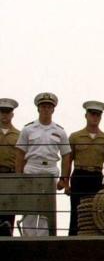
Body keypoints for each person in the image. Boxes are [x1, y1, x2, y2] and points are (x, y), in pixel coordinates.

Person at [14, 92, 69, 235]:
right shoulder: (28, 129)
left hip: (50, 170)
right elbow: (20, 153)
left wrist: (64, 179)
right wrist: (18, 176)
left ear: (53, 109)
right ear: (38, 109)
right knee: (29, 209)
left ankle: (44, 241)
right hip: (32, 168)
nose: (46, 109)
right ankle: (28, 240)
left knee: (47, 210)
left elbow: (66, 155)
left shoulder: (60, 131)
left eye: (49, 106)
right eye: (43, 106)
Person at [64, 100, 104, 235]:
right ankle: (72, 242)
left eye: (97, 115)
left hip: (96, 177)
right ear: (86, 116)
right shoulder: (75, 137)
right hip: (79, 175)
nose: (94, 117)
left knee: (96, 212)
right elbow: (68, 160)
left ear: (100, 117)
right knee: (76, 212)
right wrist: (65, 182)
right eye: (92, 114)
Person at [0, 98, 21, 235]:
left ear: (12, 114)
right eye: (2, 112)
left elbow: (21, 158)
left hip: (10, 174)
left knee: (9, 210)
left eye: (7, 112)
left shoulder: (19, 135)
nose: (4, 115)